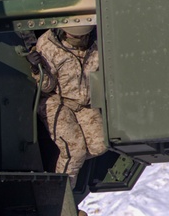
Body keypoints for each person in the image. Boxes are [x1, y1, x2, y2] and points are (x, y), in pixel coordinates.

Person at [27, 25, 108, 187]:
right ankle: (62, 193)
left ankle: (58, 167)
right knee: (75, 151)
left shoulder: (97, 43)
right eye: (73, 35)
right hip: (55, 101)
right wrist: (37, 68)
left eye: (81, 36)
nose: (77, 39)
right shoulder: (48, 44)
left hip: (83, 103)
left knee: (101, 145)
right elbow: (46, 87)